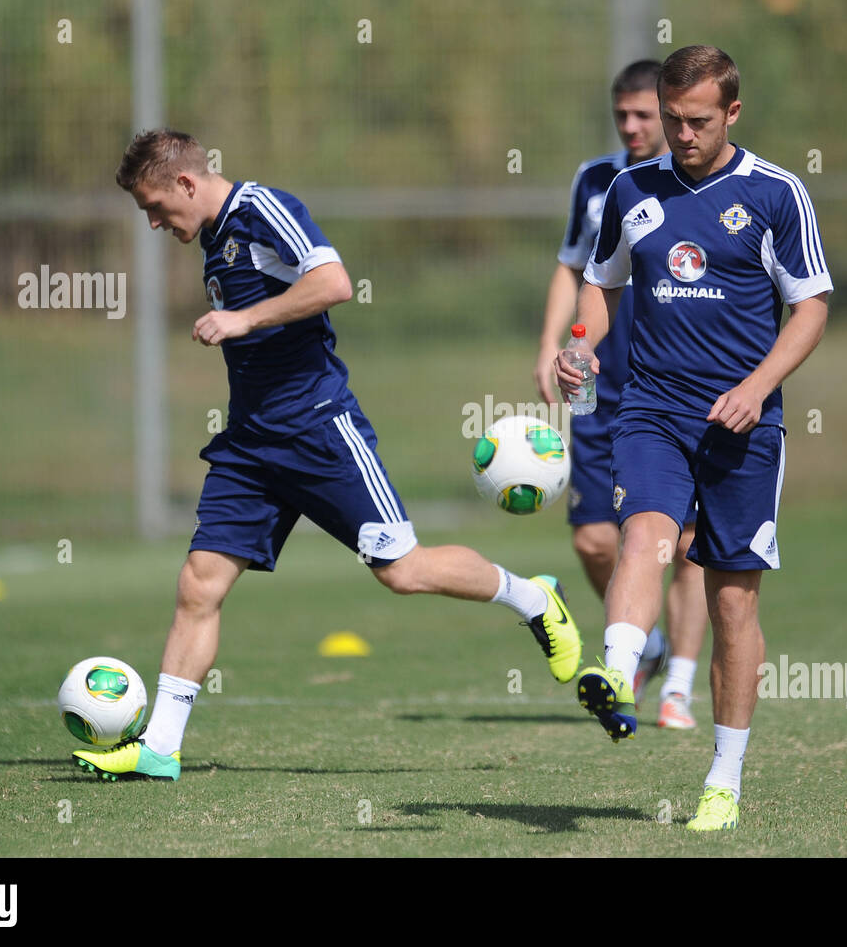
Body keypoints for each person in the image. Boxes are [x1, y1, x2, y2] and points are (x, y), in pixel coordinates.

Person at [73, 129, 582, 781]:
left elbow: (334, 281)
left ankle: (535, 599)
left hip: (319, 431)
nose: (151, 222)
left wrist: (244, 319)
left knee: (401, 570)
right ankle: (160, 749)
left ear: (187, 184)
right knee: (199, 583)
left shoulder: (262, 209)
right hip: (251, 445)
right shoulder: (211, 236)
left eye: (155, 207)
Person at [555, 46, 831, 831]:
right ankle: (613, 672)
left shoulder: (777, 194)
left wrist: (756, 388)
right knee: (644, 532)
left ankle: (725, 777)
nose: (681, 135)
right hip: (651, 406)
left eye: (698, 121)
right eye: (671, 119)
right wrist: (580, 348)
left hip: (743, 423)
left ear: (732, 113)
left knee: (732, 604)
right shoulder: (629, 188)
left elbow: (810, 307)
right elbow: (601, 285)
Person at [534, 60, 707, 729]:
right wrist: (551, 345)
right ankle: (647, 641)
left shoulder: (699, 184)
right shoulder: (597, 180)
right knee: (593, 540)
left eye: (645, 115)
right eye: (623, 116)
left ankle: (677, 689)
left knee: (688, 543)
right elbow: (571, 265)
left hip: (678, 383)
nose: (633, 127)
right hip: (598, 387)